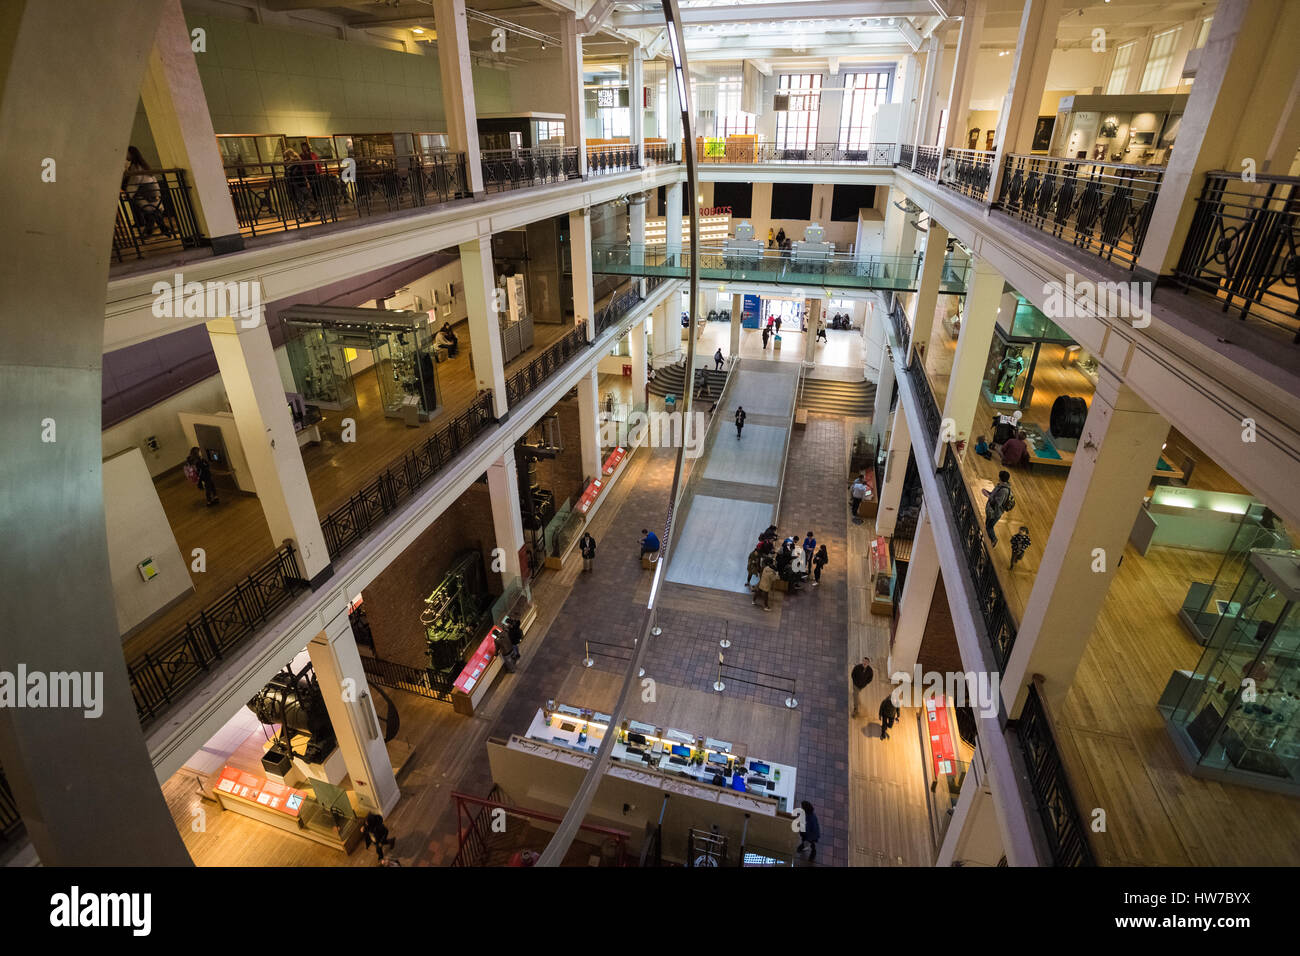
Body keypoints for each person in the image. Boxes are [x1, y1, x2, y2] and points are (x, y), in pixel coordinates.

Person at [123, 146, 171, 238]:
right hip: (155, 195)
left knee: (147, 208)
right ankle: (160, 229)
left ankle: (149, 231)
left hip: (146, 197)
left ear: (132, 154)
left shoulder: (136, 167)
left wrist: (128, 194)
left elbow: (134, 182)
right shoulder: (144, 165)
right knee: (154, 211)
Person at [981, 470, 1014, 546]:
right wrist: (988, 492)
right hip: (991, 510)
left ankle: (994, 540)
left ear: (1001, 478)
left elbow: (998, 503)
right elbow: (994, 495)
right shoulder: (1000, 485)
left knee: (989, 527)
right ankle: (987, 539)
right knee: (987, 525)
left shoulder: (1004, 490)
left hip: (995, 512)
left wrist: (988, 496)